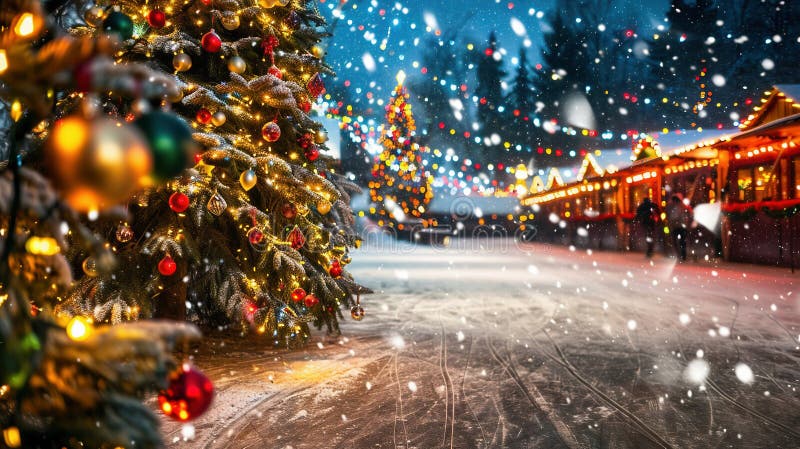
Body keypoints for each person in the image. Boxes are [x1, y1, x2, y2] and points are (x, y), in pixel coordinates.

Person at [666, 194, 693, 261]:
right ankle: (682, 255)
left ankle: (680, 255)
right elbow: (690, 214)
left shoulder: (673, 207)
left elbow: (672, 216)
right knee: (682, 241)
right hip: (682, 226)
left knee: (677, 241)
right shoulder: (684, 206)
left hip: (677, 226)